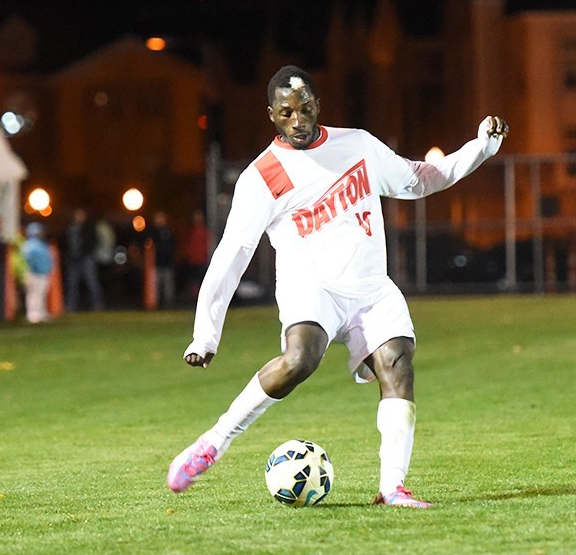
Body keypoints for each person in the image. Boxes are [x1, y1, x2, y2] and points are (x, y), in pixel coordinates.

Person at [167, 65, 508, 507]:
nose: (298, 120)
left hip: (370, 287)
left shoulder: (358, 145)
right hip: (313, 288)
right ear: (271, 115)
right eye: (287, 112)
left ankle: (392, 489)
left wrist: (481, 147)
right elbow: (231, 256)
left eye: (305, 108)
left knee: (399, 365)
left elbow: (421, 178)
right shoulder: (262, 177)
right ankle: (212, 443)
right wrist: (206, 334)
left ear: (317, 105)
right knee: (300, 359)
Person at [64, 208, 104, 312]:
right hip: (73, 258)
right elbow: (65, 241)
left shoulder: (89, 227)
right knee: (72, 283)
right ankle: (70, 306)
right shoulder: (71, 227)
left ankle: (97, 304)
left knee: (91, 281)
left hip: (86, 258)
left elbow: (94, 241)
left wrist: (86, 252)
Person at [21, 222, 53, 324]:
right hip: (32, 272)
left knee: (41, 294)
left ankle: (41, 313)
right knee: (33, 294)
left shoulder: (42, 245)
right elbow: (27, 260)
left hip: (42, 272)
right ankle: (33, 315)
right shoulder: (28, 245)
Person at [147, 210, 176, 307]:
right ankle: (156, 303)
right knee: (156, 284)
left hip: (167, 261)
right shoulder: (152, 232)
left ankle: (168, 302)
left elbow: (173, 245)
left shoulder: (169, 231)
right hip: (156, 262)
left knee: (168, 284)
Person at [182, 208, 211, 300]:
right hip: (192, 259)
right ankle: (194, 297)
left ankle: (202, 297)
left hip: (202, 259)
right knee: (193, 280)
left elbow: (207, 244)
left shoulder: (204, 230)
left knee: (201, 279)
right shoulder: (190, 230)